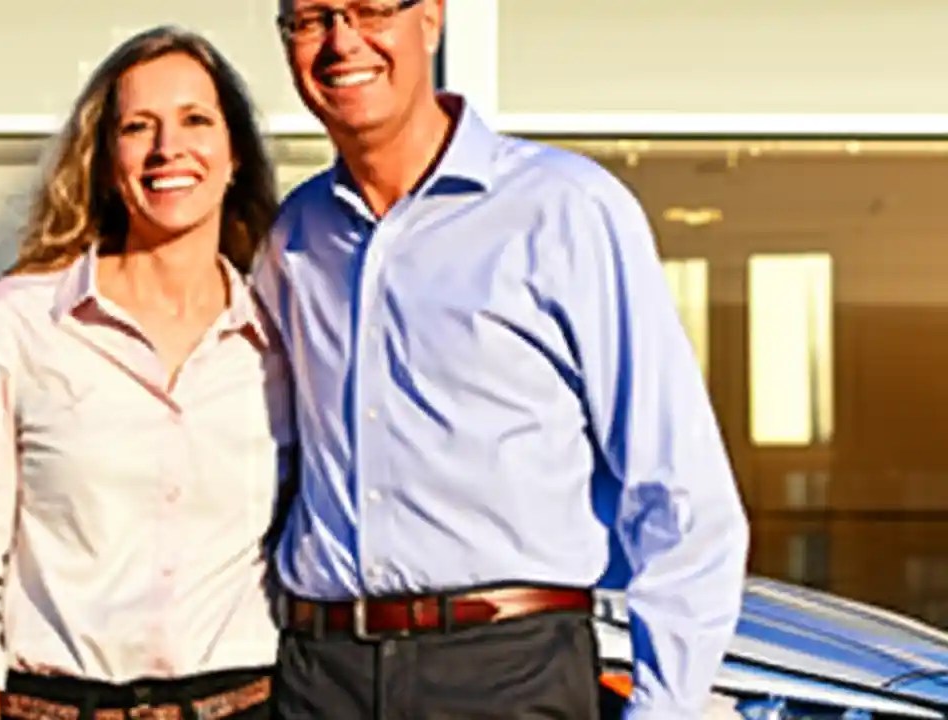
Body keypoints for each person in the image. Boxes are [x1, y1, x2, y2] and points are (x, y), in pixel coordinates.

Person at [254, 0, 751, 718]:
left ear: (430, 18)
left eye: (368, 10)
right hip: (319, 678)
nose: (341, 41)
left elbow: (676, 486)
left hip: (508, 674)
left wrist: (663, 705)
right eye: (312, 19)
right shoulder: (295, 236)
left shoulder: (564, 209)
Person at [0, 25, 293, 720]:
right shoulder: (19, 324)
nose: (167, 149)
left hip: (245, 705)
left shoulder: (280, 336)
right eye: (138, 127)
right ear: (105, 160)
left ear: (234, 153)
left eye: (195, 121)